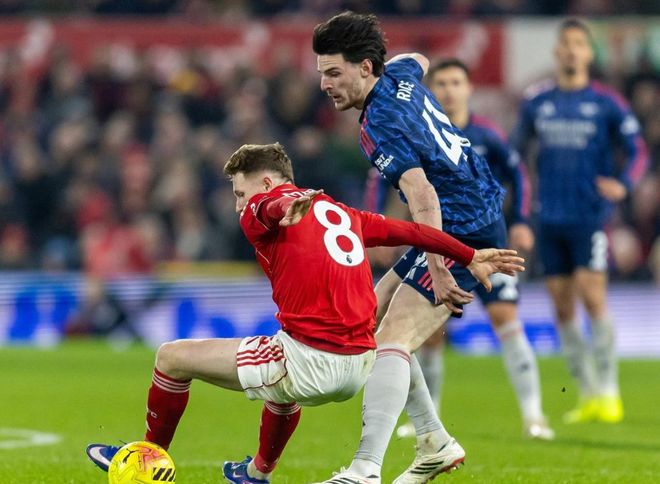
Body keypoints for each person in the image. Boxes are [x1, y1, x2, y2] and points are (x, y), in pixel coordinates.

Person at [85, 142, 524, 484]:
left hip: (311, 362)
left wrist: (281, 206)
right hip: (360, 364)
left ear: (266, 182)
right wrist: (470, 255)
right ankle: (256, 473)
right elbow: (412, 231)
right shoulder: (344, 213)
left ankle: (147, 457)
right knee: (280, 371)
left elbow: (268, 208)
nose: (239, 204)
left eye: (241, 192)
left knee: (171, 357)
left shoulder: (263, 207)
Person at [313, 11, 531, 484]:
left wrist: (441, 266)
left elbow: (423, 196)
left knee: (391, 340)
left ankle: (366, 469)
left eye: (333, 73)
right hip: (473, 212)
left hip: (460, 230)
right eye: (322, 74)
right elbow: (417, 58)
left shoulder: (380, 124)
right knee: (372, 316)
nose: (325, 84)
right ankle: (434, 442)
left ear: (365, 68)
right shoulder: (401, 74)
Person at [393, 58, 553, 441]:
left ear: (469, 89)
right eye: (441, 83)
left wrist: (521, 221)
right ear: (430, 91)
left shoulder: (487, 134)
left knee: (505, 319)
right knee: (430, 333)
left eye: (456, 82)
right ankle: (427, 421)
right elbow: (388, 182)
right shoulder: (421, 134)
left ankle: (534, 416)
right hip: (442, 246)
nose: (449, 90)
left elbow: (518, 175)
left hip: (488, 243)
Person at [510, 19, 648, 424]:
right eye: (566, 43)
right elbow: (514, 153)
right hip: (548, 217)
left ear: (588, 53)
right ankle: (587, 391)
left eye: (578, 44)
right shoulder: (538, 102)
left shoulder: (606, 103)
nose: (571, 50)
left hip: (589, 216)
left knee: (592, 294)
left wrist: (624, 184)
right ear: (557, 51)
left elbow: (637, 149)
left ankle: (610, 391)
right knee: (562, 305)